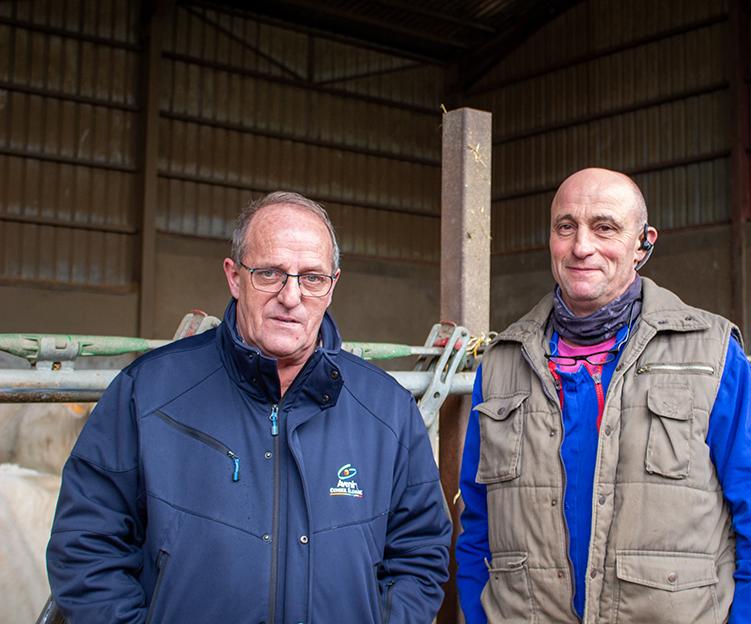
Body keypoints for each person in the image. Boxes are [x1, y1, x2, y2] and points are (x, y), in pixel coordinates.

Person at [47, 191, 451, 623]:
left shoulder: (387, 411)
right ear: (234, 277)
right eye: (269, 273)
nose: (291, 296)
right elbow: (87, 546)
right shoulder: (147, 394)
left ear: (332, 286)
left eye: (312, 278)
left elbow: (419, 553)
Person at [456, 168, 751, 623]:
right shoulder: (502, 363)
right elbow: (478, 526)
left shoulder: (710, 355)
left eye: (605, 227)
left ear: (643, 244)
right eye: (566, 227)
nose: (582, 246)